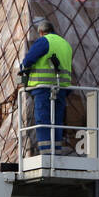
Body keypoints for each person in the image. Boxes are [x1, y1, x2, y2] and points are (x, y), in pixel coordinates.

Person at [18, 18, 74, 154]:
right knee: (57, 120)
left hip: (44, 88)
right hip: (62, 88)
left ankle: (46, 152)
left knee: (43, 119)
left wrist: (23, 70)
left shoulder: (44, 41)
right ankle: (56, 150)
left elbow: (29, 59)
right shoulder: (65, 44)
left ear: (41, 32)